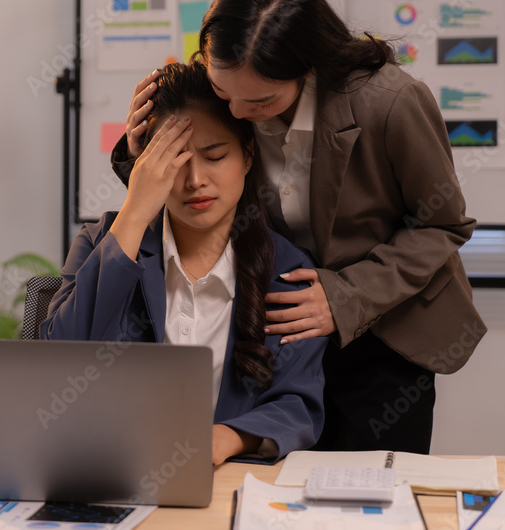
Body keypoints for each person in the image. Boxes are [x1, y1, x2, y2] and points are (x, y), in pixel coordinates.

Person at [112, 0, 485, 453]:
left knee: (365, 492)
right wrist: (140, 153)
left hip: (380, 331)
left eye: (261, 100)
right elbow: (203, 191)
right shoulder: (232, 82)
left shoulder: (389, 104)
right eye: (225, 94)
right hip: (272, 334)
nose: (239, 113)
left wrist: (344, 297)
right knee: (266, 485)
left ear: (309, 67)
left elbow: (442, 224)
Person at [43, 62, 325, 466]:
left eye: (214, 156)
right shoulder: (102, 243)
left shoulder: (288, 271)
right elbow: (62, 360)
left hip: (230, 485)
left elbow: (299, 404)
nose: (194, 180)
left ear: (247, 157)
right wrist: (136, 211)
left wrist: (226, 438)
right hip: (110, 476)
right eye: (174, 162)